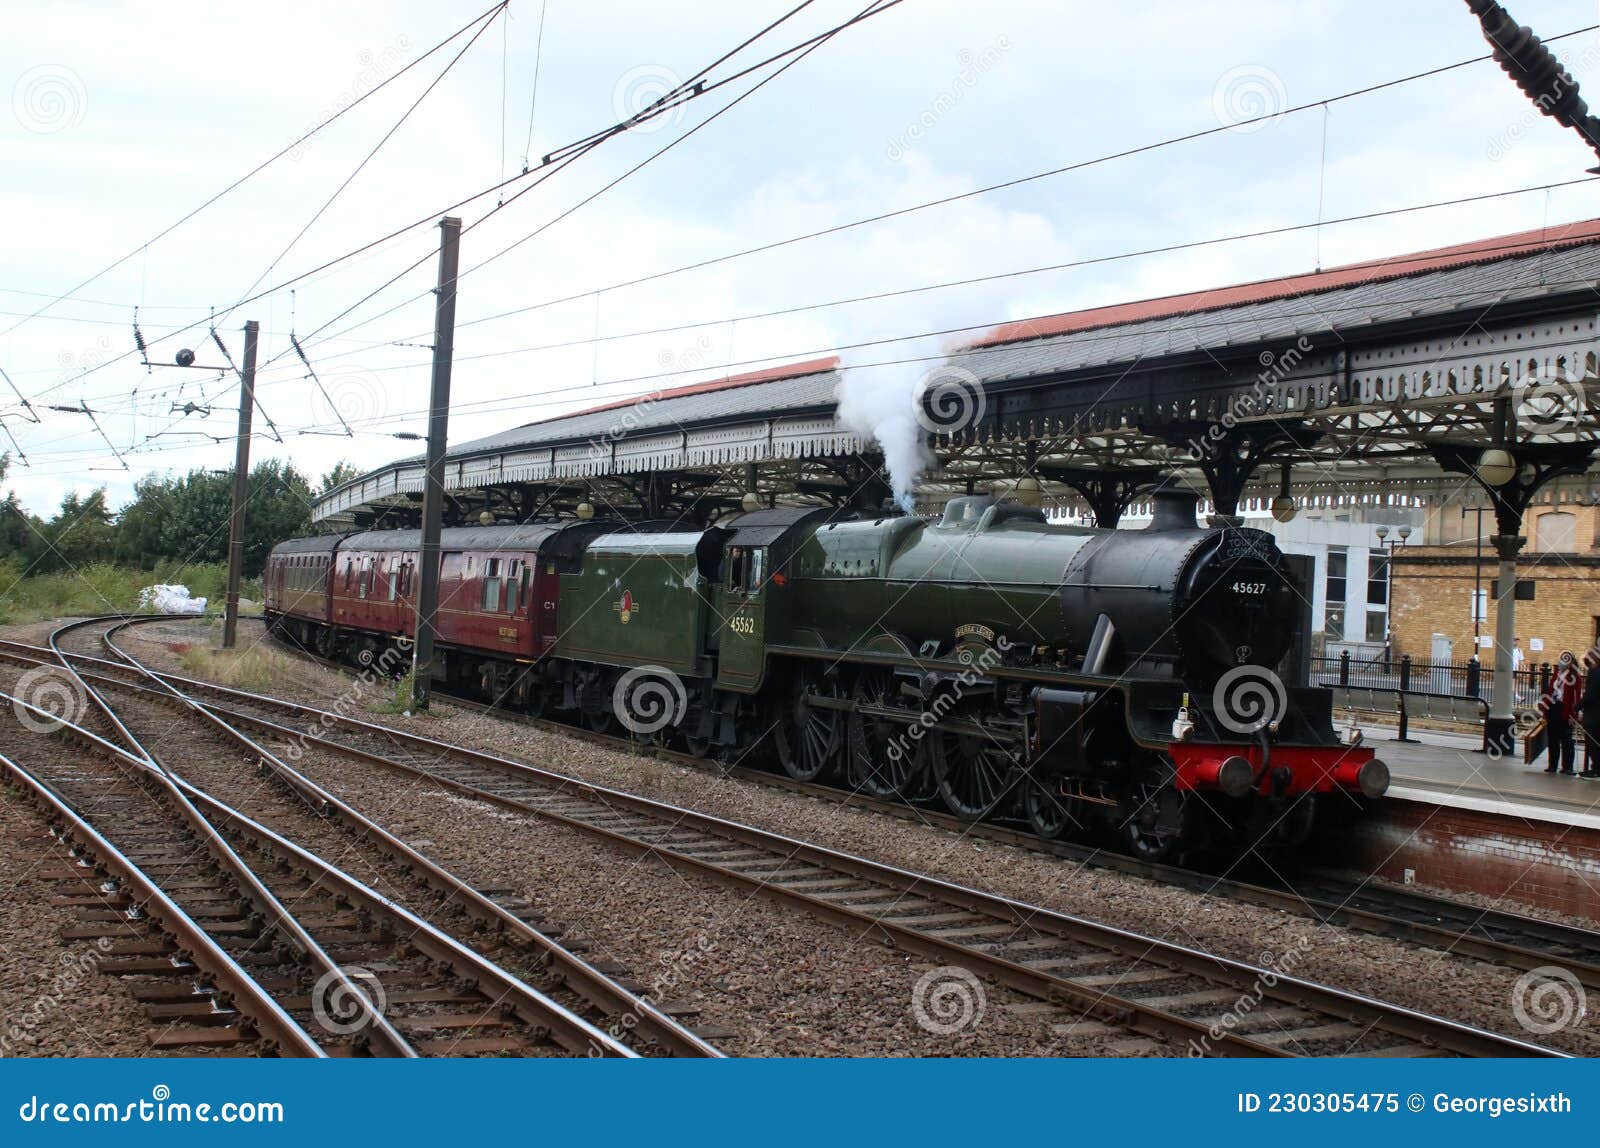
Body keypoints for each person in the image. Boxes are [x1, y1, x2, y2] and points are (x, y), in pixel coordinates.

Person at [1539, 651, 1581, 775]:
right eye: (1562, 658)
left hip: (1565, 709)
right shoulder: (1557, 674)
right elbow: (1551, 691)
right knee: (1553, 738)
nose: (1562, 661)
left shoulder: (1574, 677)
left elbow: (1575, 697)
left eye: (1566, 659)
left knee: (1566, 740)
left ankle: (1567, 767)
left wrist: (1573, 714)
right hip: (1553, 708)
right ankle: (1552, 765)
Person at [1581, 657, 1600, 779]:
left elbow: (1590, 694)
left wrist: (1577, 706)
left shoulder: (1596, 672)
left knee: (1592, 742)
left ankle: (1596, 769)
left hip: (1593, 714)